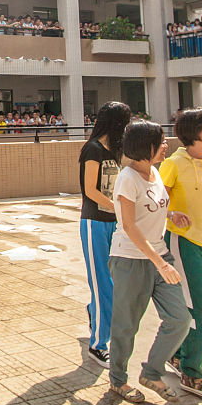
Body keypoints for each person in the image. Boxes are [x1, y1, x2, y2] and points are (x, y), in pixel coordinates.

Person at [100, 120, 192, 405]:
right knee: (126, 325)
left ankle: (152, 372)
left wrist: (170, 215)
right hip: (130, 259)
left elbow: (150, 208)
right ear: (145, 146)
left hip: (158, 256)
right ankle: (118, 380)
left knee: (180, 319)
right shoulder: (127, 177)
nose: (166, 145)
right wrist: (160, 263)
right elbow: (129, 224)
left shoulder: (154, 172)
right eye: (161, 141)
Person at [158, 107, 202, 399]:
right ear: (195, 132)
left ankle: (178, 355)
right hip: (185, 243)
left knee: (201, 308)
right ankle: (192, 372)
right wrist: (171, 212)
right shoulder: (175, 163)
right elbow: (153, 200)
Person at [78, 101, 132, 368]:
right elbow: (90, 190)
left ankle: (94, 312)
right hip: (95, 223)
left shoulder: (119, 150)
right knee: (102, 284)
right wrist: (118, 207)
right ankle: (98, 345)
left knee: (113, 281)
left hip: (116, 224)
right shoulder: (93, 149)